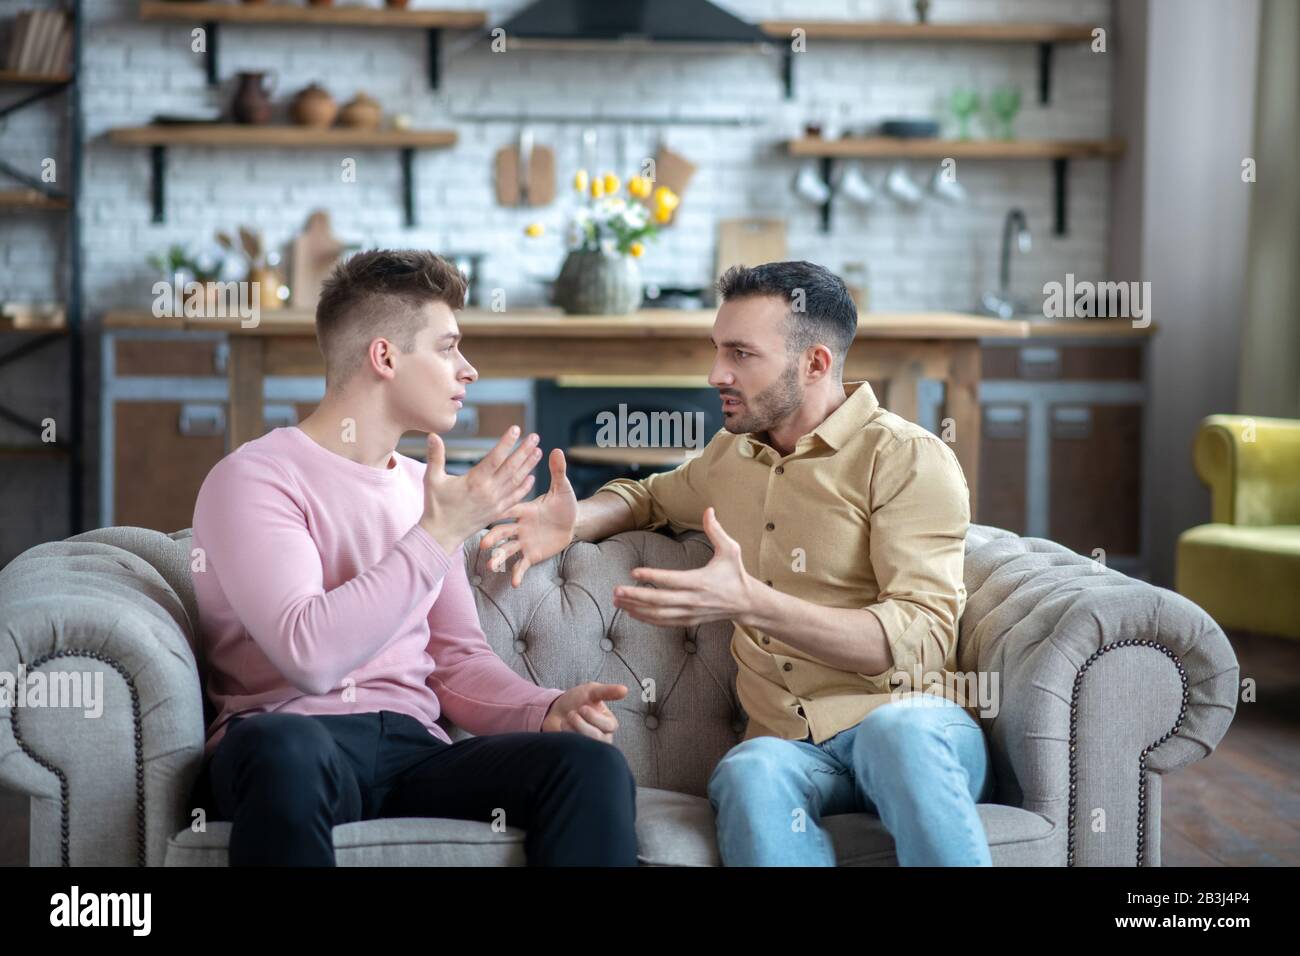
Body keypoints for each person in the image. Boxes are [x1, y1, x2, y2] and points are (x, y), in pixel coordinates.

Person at [481, 260, 994, 866]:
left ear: (815, 363)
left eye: (741, 354)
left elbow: (923, 639)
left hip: (913, 725)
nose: (715, 373)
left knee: (895, 734)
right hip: (793, 748)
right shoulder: (731, 457)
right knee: (750, 769)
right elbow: (648, 498)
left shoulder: (906, 457)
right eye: (718, 349)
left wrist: (752, 602)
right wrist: (575, 521)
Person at [189, 249, 638, 866]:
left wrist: (545, 709)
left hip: (412, 753)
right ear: (385, 357)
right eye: (448, 348)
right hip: (291, 746)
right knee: (286, 747)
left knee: (591, 766)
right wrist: (437, 532)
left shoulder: (420, 489)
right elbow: (308, 656)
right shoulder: (254, 478)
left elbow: (455, 662)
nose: (468, 370)